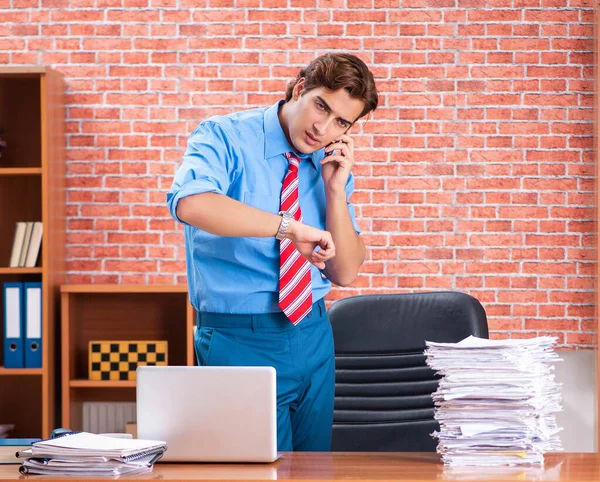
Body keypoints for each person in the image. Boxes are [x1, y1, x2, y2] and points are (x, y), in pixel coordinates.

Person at [166, 52, 378, 451]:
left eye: (341, 122)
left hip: (313, 334)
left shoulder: (327, 162)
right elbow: (191, 203)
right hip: (239, 338)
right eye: (321, 106)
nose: (323, 128)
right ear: (301, 88)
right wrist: (287, 227)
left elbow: (345, 271)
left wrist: (334, 190)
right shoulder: (223, 135)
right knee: (259, 471)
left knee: (315, 473)